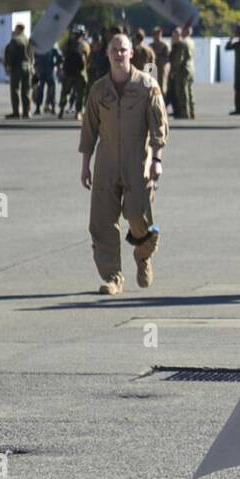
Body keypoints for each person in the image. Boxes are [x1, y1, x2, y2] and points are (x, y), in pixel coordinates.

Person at [78, 33, 167, 294]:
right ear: (107, 54)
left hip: (137, 162)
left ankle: (143, 255)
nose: (119, 54)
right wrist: (85, 164)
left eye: (123, 49)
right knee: (102, 222)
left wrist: (157, 160)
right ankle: (113, 277)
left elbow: (159, 127)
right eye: (114, 50)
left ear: (132, 54)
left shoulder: (147, 86)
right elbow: (89, 130)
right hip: (105, 163)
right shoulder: (98, 90)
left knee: (138, 217)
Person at [3, 23, 33, 119]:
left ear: (18, 29)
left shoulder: (15, 40)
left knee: (15, 90)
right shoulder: (28, 41)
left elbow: (12, 54)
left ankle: (16, 112)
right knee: (26, 91)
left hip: (17, 68)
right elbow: (32, 56)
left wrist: (9, 65)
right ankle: (26, 112)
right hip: (27, 67)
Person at [59, 26, 89, 119]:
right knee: (80, 93)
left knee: (65, 92)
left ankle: (61, 110)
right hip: (80, 73)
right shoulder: (84, 45)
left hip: (68, 72)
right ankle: (78, 112)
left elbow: (63, 54)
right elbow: (86, 58)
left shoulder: (67, 44)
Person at [168, 25, 196, 119]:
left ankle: (184, 112)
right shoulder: (191, 41)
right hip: (191, 68)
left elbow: (179, 59)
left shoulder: (182, 43)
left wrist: (173, 70)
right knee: (189, 91)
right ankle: (192, 111)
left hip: (182, 70)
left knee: (182, 92)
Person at [33, 41, 63, 116]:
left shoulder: (52, 44)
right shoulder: (43, 44)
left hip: (49, 71)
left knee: (51, 90)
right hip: (43, 71)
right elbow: (35, 57)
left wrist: (57, 66)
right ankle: (38, 108)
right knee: (41, 90)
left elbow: (59, 57)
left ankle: (52, 107)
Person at [151, 26, 172, 109]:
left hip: (162, 68)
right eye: (155, 34)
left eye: (158, 34)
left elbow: (168, 57)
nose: (156, 36)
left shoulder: (164, 45)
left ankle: (163, 104)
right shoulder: (151, 45)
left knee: (163, 87)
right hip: (154, 68)